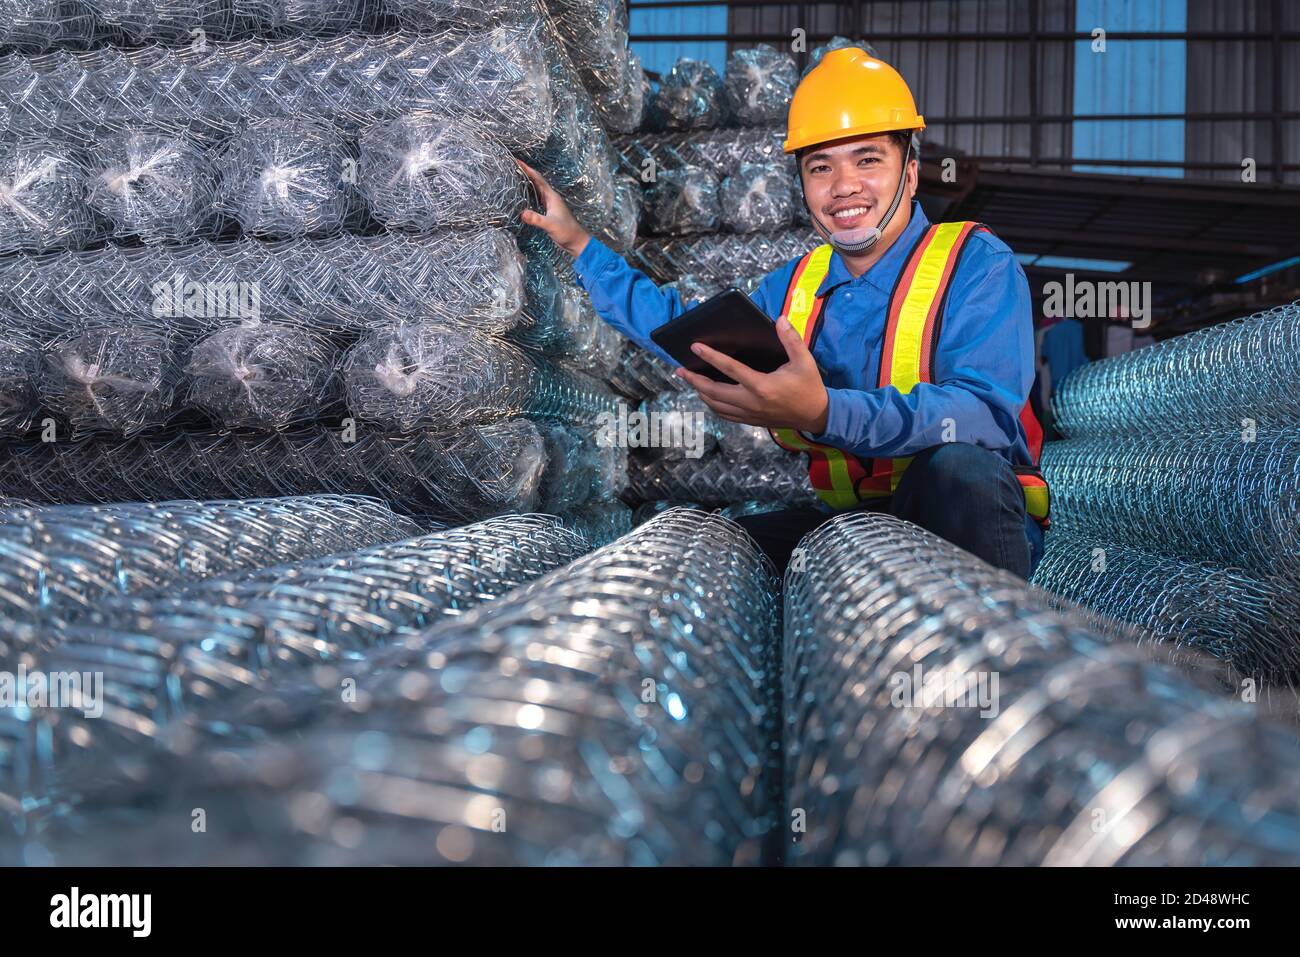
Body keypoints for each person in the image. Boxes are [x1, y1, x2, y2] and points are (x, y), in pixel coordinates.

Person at [517, 48, 1049, 578]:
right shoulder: (798, 286)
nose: (843, 187)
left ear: (910, 172)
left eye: (868, 159)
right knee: (708, 556)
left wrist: (823, 413)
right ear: (802, 186)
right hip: (857, 523)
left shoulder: (976, 262)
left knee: (961, 469)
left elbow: (981, 414)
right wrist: (581, 245)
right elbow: (688, 328)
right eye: (821, 167)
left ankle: (999, 653)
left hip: (958, 519)